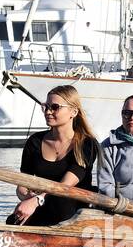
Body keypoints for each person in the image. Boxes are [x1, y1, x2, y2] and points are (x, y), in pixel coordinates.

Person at [10, 85, 99, 226]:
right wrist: (28, 197)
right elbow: (22, 184)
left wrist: (37, 200)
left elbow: (64, 186)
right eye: (46, 106)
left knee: (61, 204)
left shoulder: (86, 144)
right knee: (13, 221)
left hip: (73, 215)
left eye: (55, 107)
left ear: (73, 112)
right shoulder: (34, 142)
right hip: (41, 207)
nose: (48, 112)